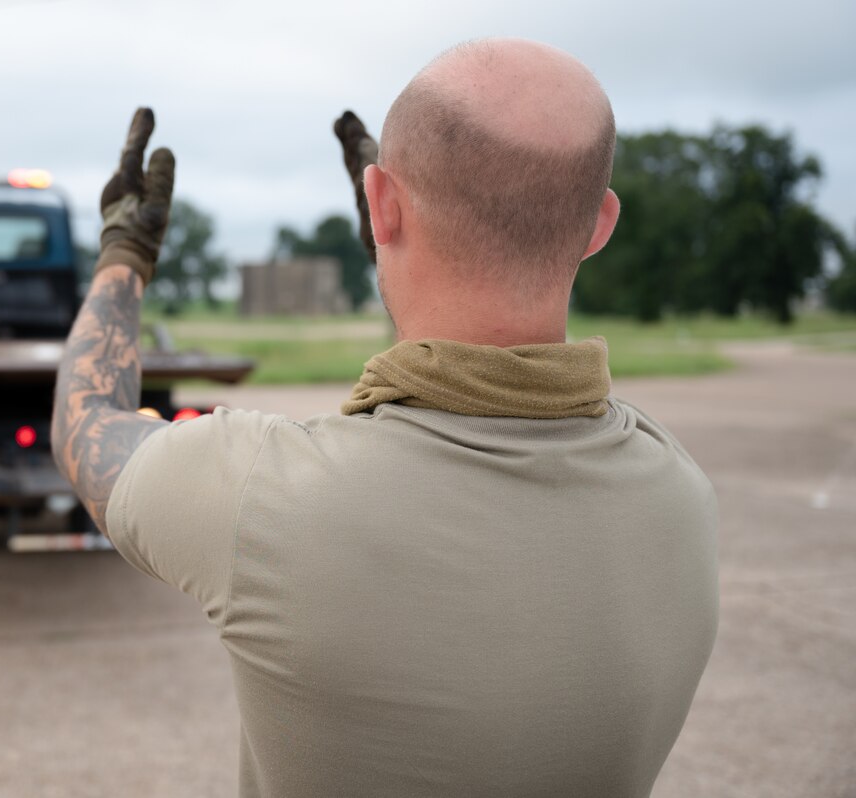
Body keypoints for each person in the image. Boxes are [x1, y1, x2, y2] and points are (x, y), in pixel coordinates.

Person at [51, 37, 718, 798]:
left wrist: (124, 251)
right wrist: (406, 243)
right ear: (600, 225)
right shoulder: (682, 495)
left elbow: (87, 420)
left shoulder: (261, 495)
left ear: (381, 203)